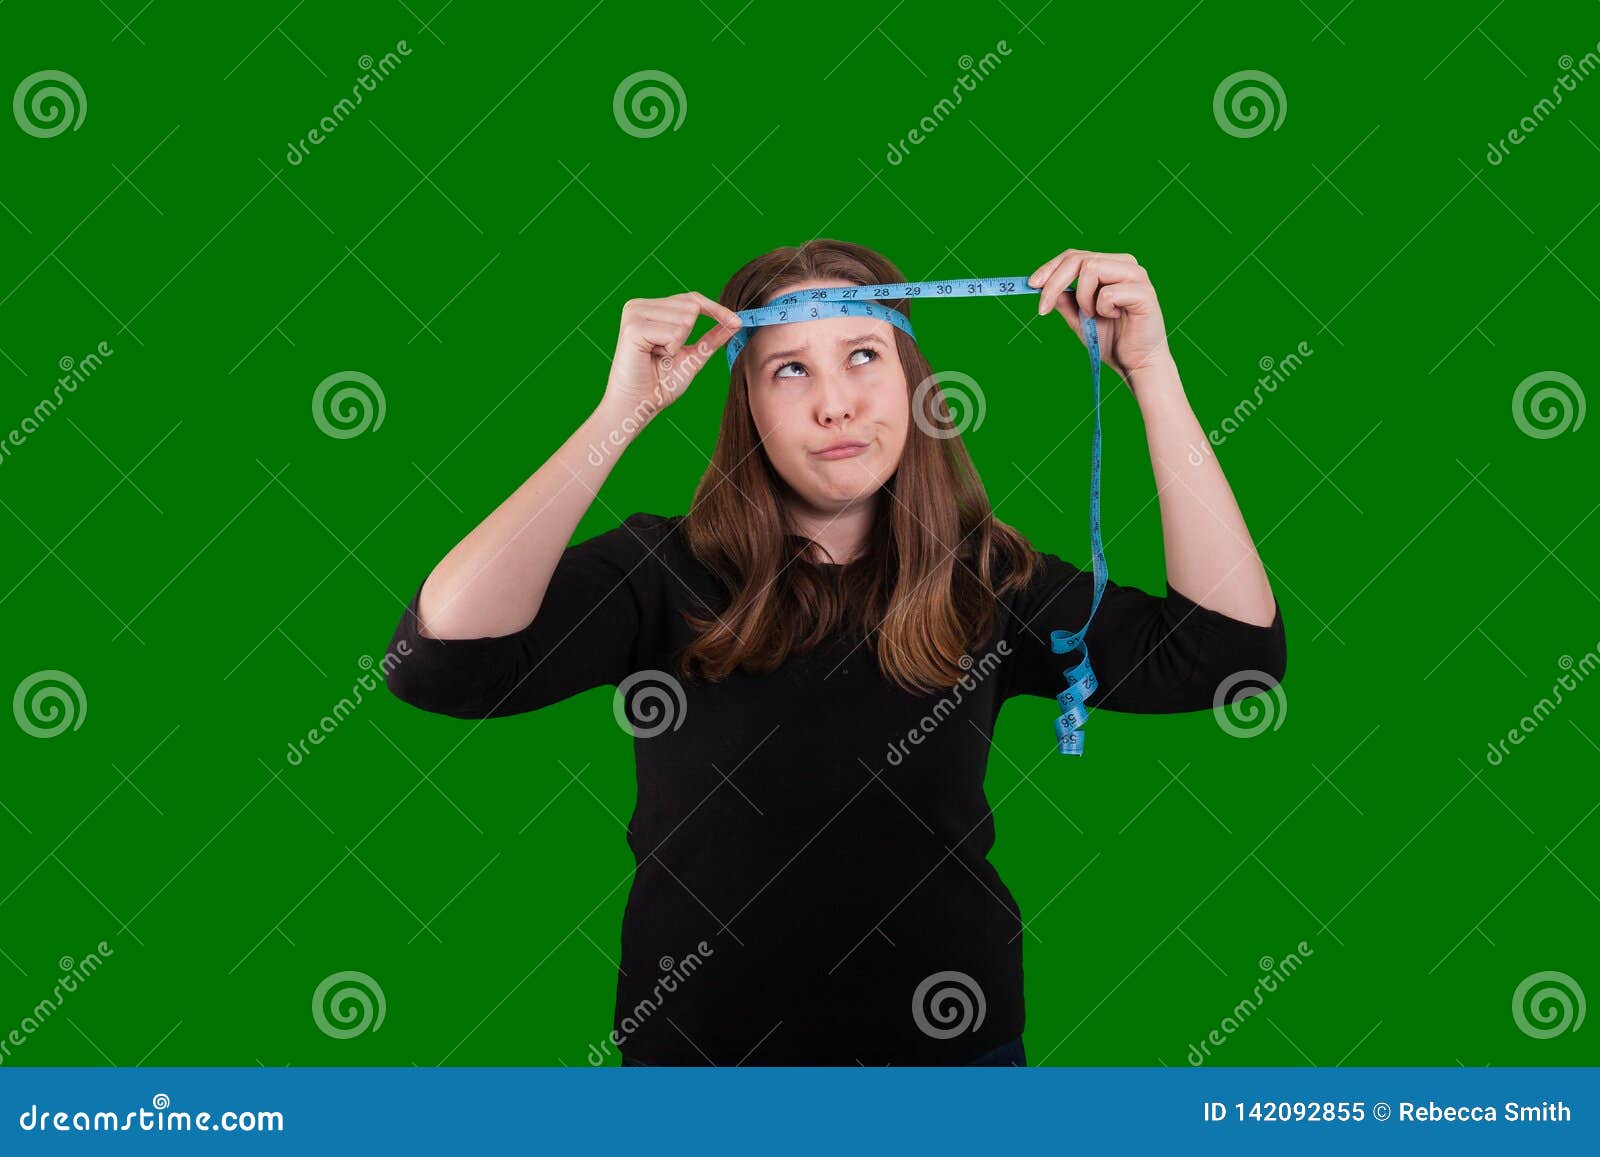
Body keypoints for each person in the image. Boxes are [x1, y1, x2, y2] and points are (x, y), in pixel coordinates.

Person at [383, 239, 1286, 1066]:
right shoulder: (660, 573)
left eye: (863, 356)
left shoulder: (986, 578)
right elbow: (439, 662)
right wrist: (622, 413)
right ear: (746, 405)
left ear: (911, 380)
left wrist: (1151, 372)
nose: (834, 402)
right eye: (788, 369)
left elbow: (1227, 653)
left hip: (952, 1071)